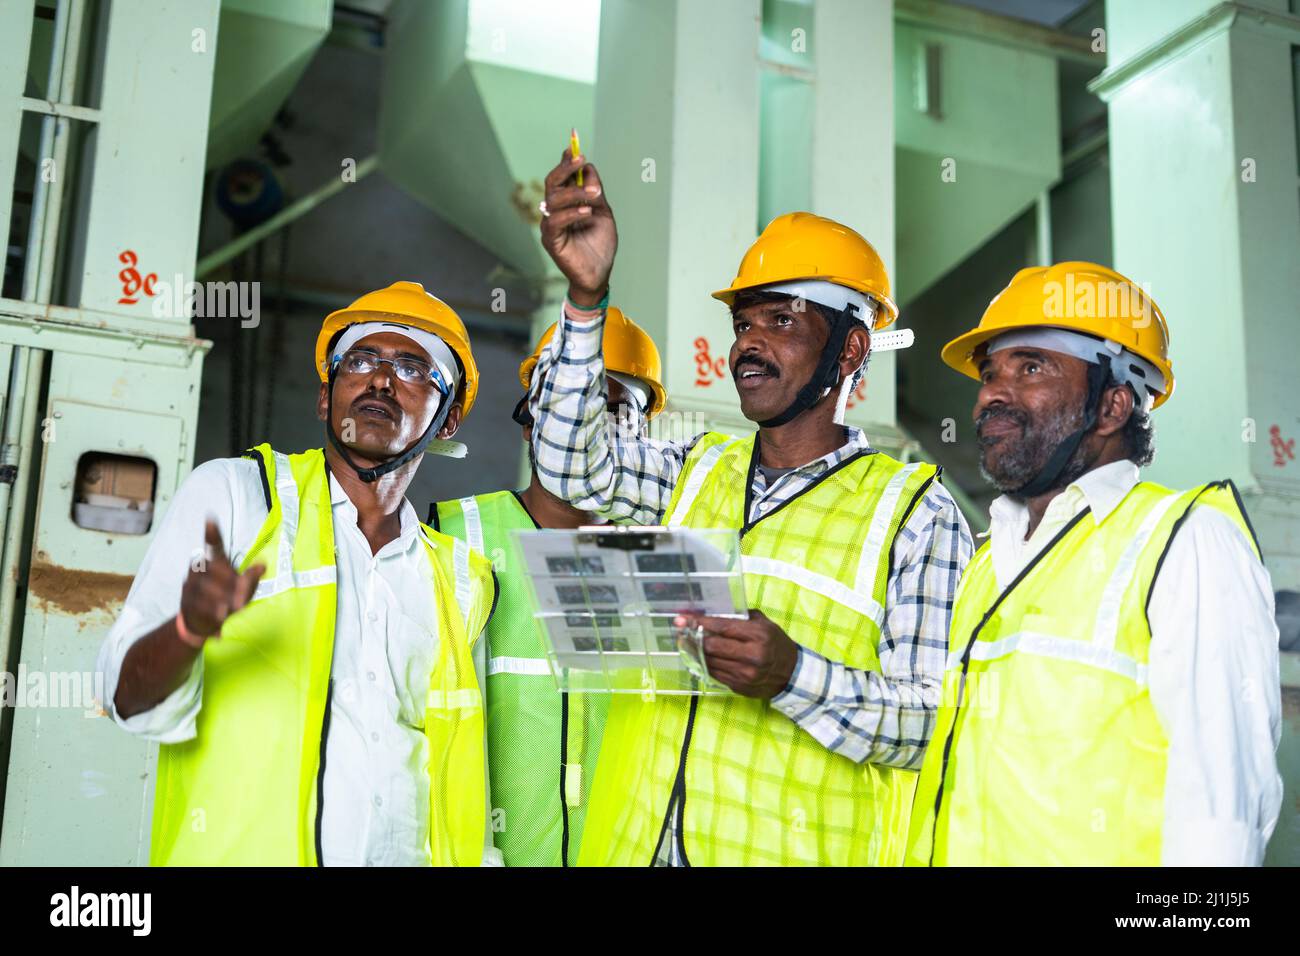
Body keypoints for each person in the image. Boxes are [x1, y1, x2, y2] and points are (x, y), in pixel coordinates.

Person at [529, 145, 973, 866]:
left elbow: (933, 726)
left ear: (852, 349)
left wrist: (795, 677)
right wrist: (585, 300)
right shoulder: (694, 470)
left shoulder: (916, 515)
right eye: (744, 324)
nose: (750, 345)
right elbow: (569, 468)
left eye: (783, 323)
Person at [97, 281, 500, 866]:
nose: (380, 380)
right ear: (325, 397)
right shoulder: (238, 497)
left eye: (413, 368)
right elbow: (124, 697)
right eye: (359, 361)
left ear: (448, 421)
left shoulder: (460, 580)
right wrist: (187, 630)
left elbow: (461, 777)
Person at [905, 262, 1283, 866]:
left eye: (1031, 368)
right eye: (989, 374)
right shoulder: (987, 561)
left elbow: (1223, 813)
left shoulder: (1186, 541)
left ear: (1111, 407)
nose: (991, 395)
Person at [430, 308, 665, 866]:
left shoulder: (662, 565)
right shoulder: (458, 536)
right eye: (569, 406)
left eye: (614, 409)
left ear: (641, 433)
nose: (587, 428)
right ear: (532, 417)